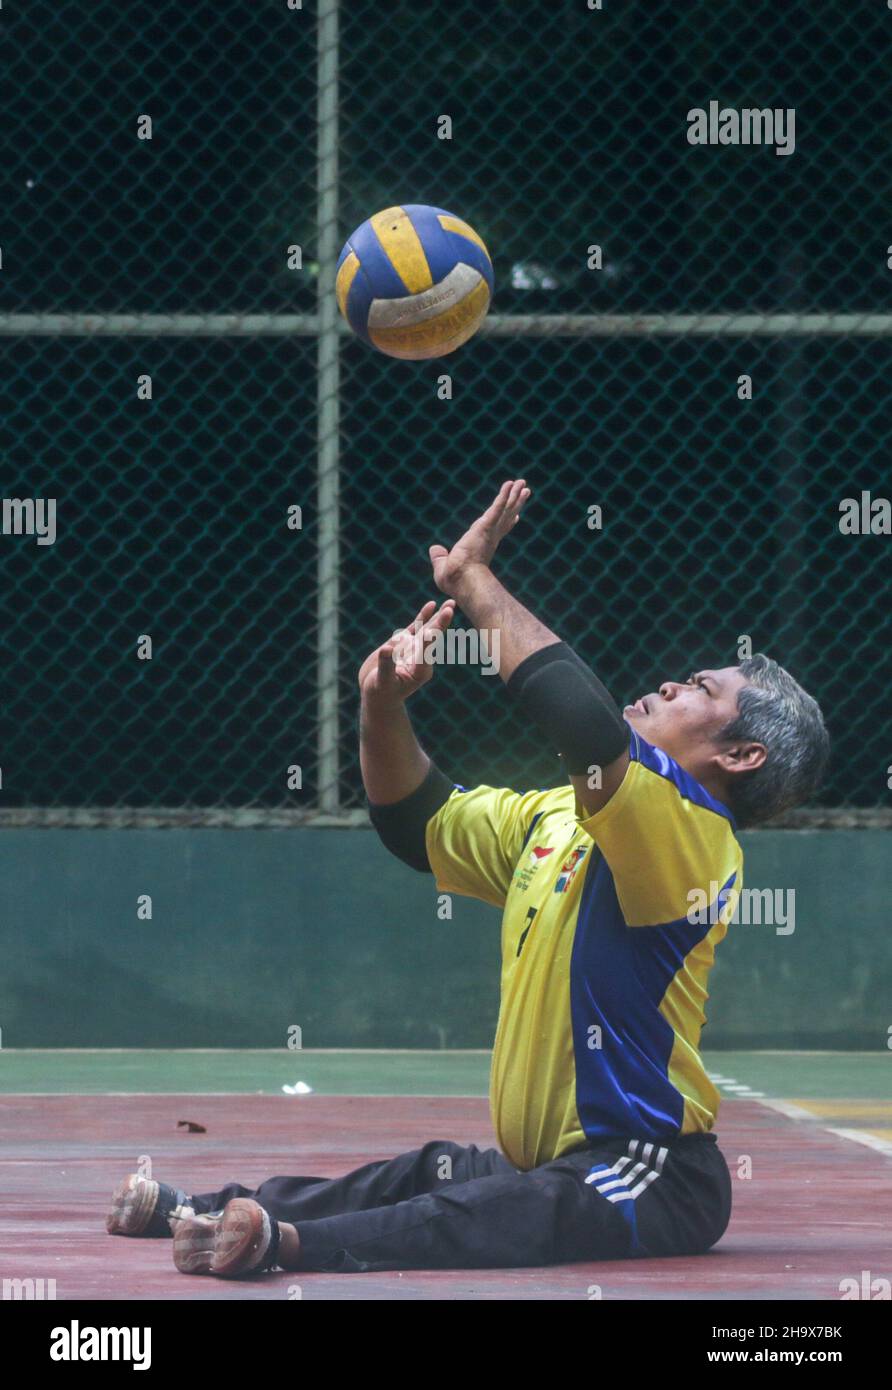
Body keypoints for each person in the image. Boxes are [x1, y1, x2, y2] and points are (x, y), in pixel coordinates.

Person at [106, 480, 829, 1276]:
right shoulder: (565, 816)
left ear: (740, 756)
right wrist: (382, 706)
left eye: (701, 689)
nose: (669, 685)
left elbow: (582, 723)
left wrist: (475, 581)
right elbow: (419, 826)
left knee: (501, 1212)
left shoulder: (697, 834)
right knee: (428, 1173)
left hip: (648, 1168)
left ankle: (281, 1244)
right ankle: (205, 1209)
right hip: (546, 1158)